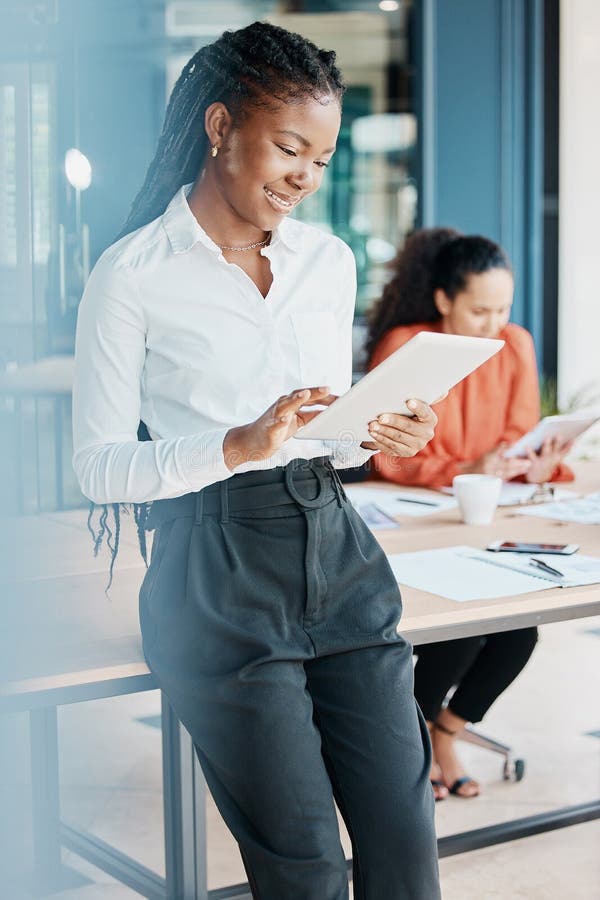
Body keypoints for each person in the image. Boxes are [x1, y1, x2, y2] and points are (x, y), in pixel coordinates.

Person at [72, 23, 442, 899]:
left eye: (320, 158)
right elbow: (97, 465)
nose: (305, 178)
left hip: (339, 552)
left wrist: (376, 432)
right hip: (216, 570)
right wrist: (237, 444)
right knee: (304, 866)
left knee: (405, 841)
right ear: (218, 125)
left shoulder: (328, 259)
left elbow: (334, 435)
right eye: (287, 148)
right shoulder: (132, 275)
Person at [366, 228, 574, 800]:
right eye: (479, 310)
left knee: (520, 629)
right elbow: (387, 456)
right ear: (444, 300)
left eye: (502, 308)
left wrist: (531, 463)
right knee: (461, 626)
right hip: (419, 521)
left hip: (489, 515)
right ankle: (424, 739)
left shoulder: (516, 344)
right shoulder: (408, 344)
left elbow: (518, 435)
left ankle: (444, 728)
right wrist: (468, 464)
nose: (493, 323)